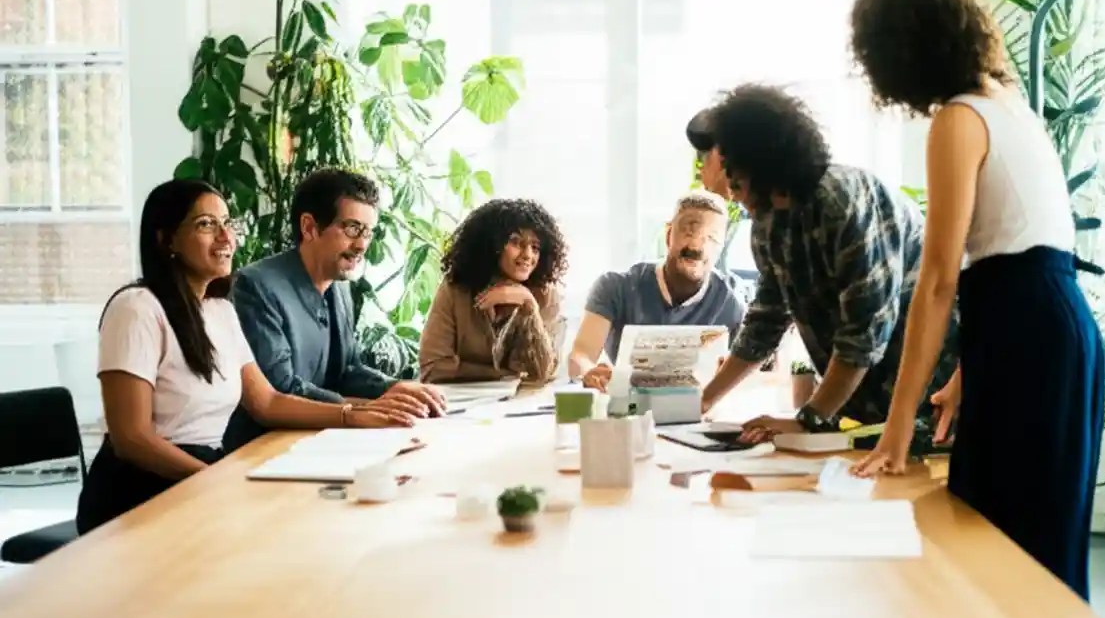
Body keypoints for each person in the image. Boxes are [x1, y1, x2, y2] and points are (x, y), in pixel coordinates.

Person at [846, 0, 1105, 601]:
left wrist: (896, 427)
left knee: (1008, 545)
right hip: (1052, 323)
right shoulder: (1008, 105)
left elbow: (938, 279)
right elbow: (1021, 247)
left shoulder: (958, 119)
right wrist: (965, 374)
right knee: (1036, 539)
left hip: (1031, 331)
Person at [78, 180, 413, 534]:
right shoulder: (136, 308)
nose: (226, 237)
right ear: (166, 239)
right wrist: (213, 480)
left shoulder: (219, 309)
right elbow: (131, 438)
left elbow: (266, 401)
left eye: (228, 223)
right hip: (141, 488)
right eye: (206, 224)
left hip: (204, 471)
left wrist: (352, 416)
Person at [697, 83, 960, 444]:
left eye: (734, 171)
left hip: (931, 402)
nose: (728, 185)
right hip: (866, 409)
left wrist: (808, 420)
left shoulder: (843, 202)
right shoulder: (767, 224)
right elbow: (766, 321)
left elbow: (863, 336)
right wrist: (704, 400)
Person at [225, 168, 446, 450]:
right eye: (352, 228)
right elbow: (281, 389)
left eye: (368, 232)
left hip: (325, 440)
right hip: (263, 448)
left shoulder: (340, 286)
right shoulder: (255, 286)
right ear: (309, 227)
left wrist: (392, 388)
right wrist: (366, 409)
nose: (362, 244)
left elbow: (347, 369)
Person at [567, 190, 747, 392]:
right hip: (629, 410)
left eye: (711, 238)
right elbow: (580, 356)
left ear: (721, 248)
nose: (697, 246)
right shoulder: (616, 287)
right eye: (689, 233)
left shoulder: (731, 301)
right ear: (669, 234)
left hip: (699, 411)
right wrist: (590, 371)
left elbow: (753, 373)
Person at [418, 198, 568, 383]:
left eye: (535, 247)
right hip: (459, 406)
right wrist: (503, 375)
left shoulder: (545, 295)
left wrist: (529, 306)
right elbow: (433, 367)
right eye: (516, 242)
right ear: (491, 245)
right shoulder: (456, 288)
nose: (528, 255)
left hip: (524, 405)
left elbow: (543, 371)